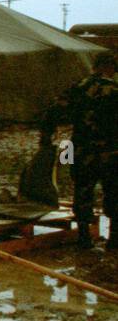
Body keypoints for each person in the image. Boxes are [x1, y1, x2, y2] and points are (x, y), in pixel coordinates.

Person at [40, 52, 118, 251]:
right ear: (111, 67)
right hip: (111, 152)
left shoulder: (77, 88)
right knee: (113, 192)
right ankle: (114, 239)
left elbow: (52, 112)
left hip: (81, 150)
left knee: (82, 192)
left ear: (94, 67)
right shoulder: (115, 90)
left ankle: (84, 237)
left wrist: (46, 138)